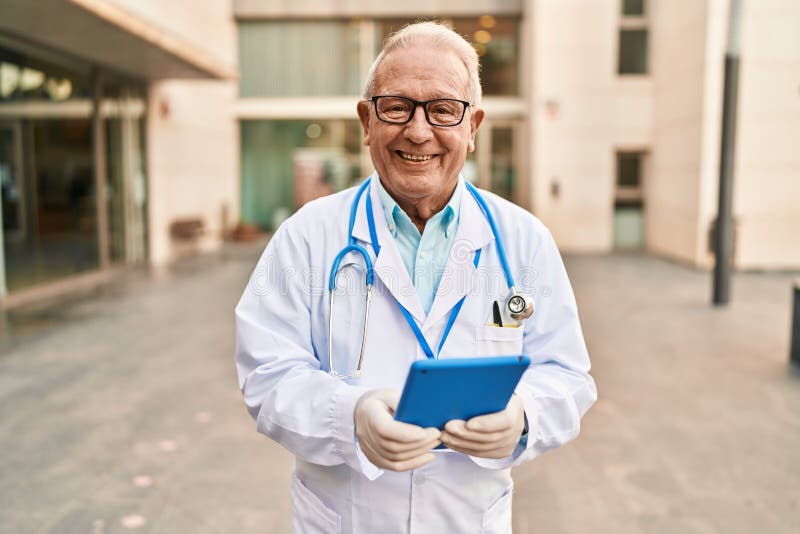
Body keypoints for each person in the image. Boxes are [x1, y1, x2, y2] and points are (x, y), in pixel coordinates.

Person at [235, 21, 596, 533]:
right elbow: (266, 375)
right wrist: (349, 417)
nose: (418, 131)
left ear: (473, 126)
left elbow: (567, 374)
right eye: (396, 106)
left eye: (443, 109)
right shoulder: (307, 237)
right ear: (366, 120)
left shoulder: (523, 241)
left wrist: (524, 416)